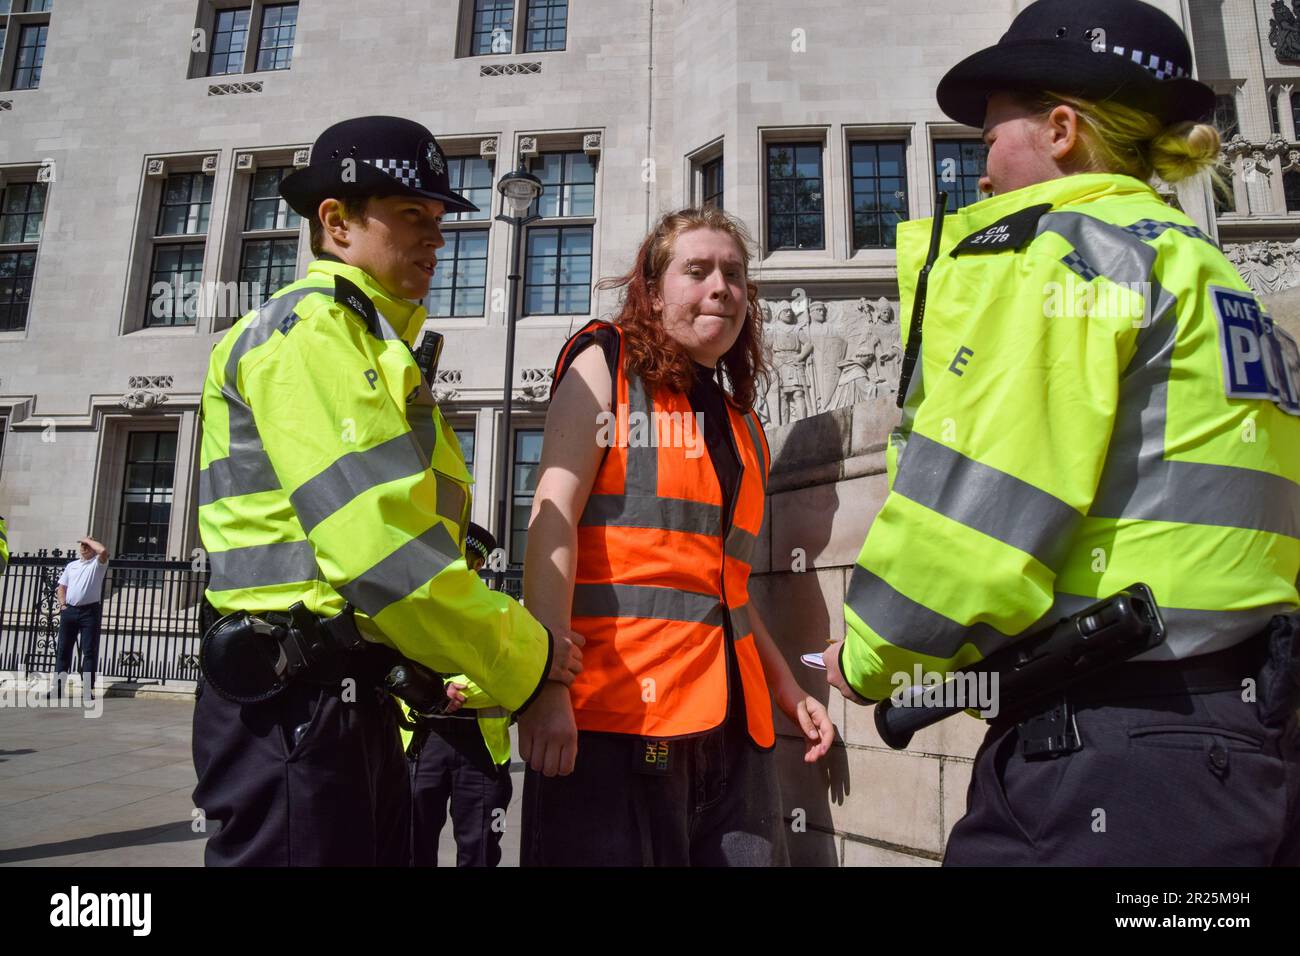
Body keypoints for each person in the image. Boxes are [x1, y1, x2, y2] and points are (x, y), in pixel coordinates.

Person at [825, 0, 1300, 866]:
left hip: (1106, 759)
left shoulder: (1067, 254)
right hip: (1232, 739)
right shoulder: (1206, 267)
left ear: (1061, 128)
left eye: (987, 144)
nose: (980, 175)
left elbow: (977, 515)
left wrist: (869, 658)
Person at [192, 116, 583, 867]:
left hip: (344, 701)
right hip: (294, 707)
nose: (436, 240)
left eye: (439, 221)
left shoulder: (369, 342)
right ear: (335, 222)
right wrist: (526, 660)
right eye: (412, 217)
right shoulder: (312, 333)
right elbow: (382, 552)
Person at [521, 206, 835, 867]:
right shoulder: (604, 361)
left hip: (733, 734)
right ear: (653, 290)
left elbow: (727, 590)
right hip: (615, 724)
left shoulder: (743, 425)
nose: (721, 286)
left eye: (735, 273)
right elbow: (550, 515)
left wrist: (789, 692)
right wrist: (545, 685)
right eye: (697, 271)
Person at [404, 522, 516, 868]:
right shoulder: (413, 606)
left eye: (461, 558)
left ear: (478, 566)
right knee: (412, 845)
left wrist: (445, 690)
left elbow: (510, 673)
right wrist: (436, 691)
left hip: (480, 748)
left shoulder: (500, 610)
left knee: (479, 850)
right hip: (425, 739)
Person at [53, 536, 109, 700]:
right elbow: (62, 587)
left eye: (87, 545)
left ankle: (86, 690)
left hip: (89, 611)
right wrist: (62, 605)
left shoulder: (97, 565)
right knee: (63, 650)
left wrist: (90, 540)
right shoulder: (72, 566)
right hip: (69, 611)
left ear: (92, 547)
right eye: (82, 545)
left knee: (89, 651)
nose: (83, 547)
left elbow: (103, 551)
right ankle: (57, 688)